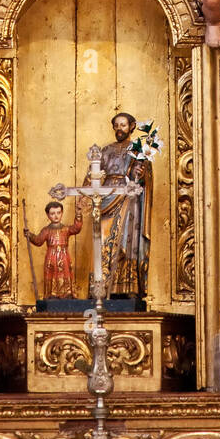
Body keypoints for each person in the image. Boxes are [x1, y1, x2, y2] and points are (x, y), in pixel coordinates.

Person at [92, 112, 152, 299]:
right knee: (102, 240)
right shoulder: (105, 150)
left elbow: (145, 177)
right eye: (116, 125)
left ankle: (127, 287)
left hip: (128, 198)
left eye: (123, 125)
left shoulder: (138, 150)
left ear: (132, 127)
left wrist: (141, 173)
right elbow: (92, 175)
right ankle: (100, 287)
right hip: (106, 197)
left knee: (127, 242)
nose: (119, 129)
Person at [25, 201, 83, 299]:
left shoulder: (66, 229)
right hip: (51, 258)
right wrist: (29, 235)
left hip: (64, 257)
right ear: (48, 215)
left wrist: (78, 214)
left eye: (58, 213)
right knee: (52, 275)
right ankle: (52, 295)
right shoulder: (46, 230)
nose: (56, 216)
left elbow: (76, 228)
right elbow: (38, 241)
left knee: (66, 274)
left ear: (62, 213)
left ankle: (67, 294)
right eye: (52, 213)